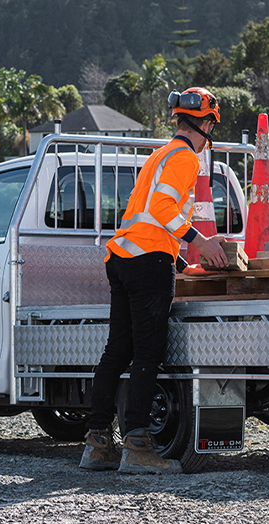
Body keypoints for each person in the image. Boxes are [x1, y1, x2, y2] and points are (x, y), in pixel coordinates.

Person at [79, 87, 228, 474]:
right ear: (206, 123)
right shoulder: (185, 158)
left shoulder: (159, 155)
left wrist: (175, 256)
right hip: (147, 263)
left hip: (123, 257)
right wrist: (200, 242)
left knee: (118, 350)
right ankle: (138, 446)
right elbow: (162, 209)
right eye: (213, 122)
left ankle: (97, 443)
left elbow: (145, 212)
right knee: (148, 353)